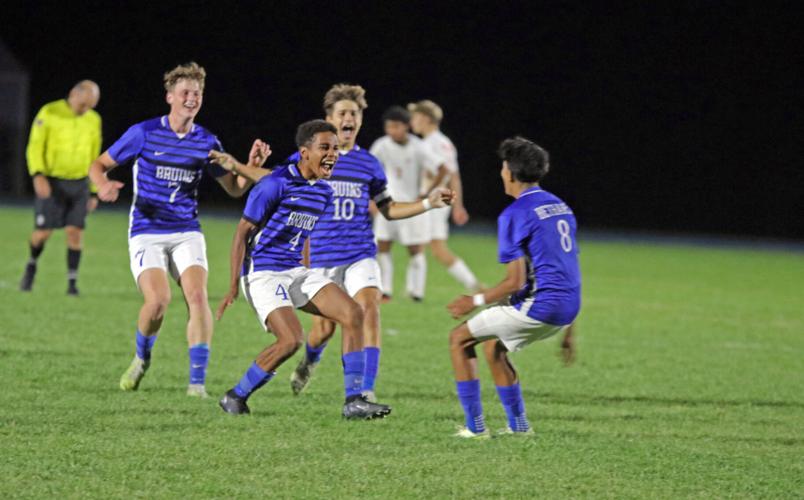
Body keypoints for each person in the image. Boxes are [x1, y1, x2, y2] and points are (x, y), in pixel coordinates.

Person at [215, 84, 455, 403]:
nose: (349, 118)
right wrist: (236, 167)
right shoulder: (308, 158)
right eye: (342, 113)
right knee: (315, 333)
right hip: (312, 259)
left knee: (365, 311)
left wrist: (427, 203)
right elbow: (272, 179)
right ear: (329, 118)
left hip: (357, 253)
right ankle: (301, 365)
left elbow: (388, 208)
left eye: (354, 113)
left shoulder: (367, 164)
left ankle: (360, 394)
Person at [88, 62, 267, 398]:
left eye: (197, 94)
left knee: (198, 297)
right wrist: (102, 186)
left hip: (186, 231)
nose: (191, 98)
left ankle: (196, 384)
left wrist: (250, 166)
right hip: (147, 231)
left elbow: (234, 188)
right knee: (158, 302)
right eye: (185, 92)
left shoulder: (207, 140)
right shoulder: (143, 133)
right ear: (169, 96)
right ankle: (141, 359)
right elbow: (98, 165)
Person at [445, 137, 581, 438]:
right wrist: (570, 329)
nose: (501, 172)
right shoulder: (560, 207)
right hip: (567, 307)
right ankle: (519, 427)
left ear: (511, 173)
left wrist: (475, 300)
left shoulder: (514, 214)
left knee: (459, 339)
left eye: (503, 167)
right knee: (494, 347)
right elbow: (568, 269)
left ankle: (474, 428)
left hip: (541, 306)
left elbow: (515, 281)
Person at [19, 80, 101, 296]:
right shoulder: (50, 111)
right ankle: (31, 265)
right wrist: (38, 175)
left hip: (80, 183)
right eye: (83, 104)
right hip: (52, 182)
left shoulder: (93, 120)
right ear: (73, 93)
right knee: (42, 233)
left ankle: (72, 283)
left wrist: (94, 190)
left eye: (90, 106)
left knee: (75, 232)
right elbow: (35, 145)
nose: (86, 110)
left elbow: (95, 156)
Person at [370, 106, 449, 302]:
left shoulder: (418, 146)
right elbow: (369, 171)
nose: (392, 131)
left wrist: (426, 192)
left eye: (396, 126)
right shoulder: (381, 145)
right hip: (387, 204)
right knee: (382, 246)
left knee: (415, 250)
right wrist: (371, 198)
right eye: (389, 127)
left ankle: (416, 292)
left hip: (412, 206)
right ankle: (385, 290)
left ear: (406, 126)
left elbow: (443, 168)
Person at [408, 100, 482, 293]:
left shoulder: (436, 143)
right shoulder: (437, 142)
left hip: (434, 201)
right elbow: (454, 175)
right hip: (433, 201)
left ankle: (475, 286)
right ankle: (414, 290)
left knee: (435, 248)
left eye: (415, 117)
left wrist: (456, 205)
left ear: (425, 118)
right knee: (423, 245)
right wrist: (458, 205)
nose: (412, 121)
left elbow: (448, 174)